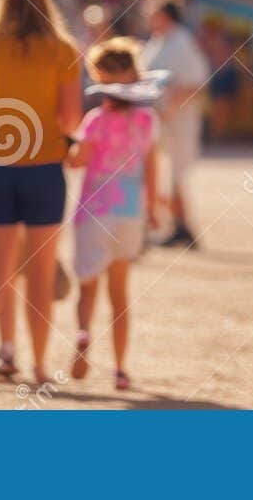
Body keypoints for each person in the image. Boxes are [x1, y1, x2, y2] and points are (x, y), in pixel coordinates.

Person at [0, 0, 81, 387]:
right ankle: (37, 364)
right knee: (41, 271)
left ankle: (2, 348)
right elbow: (70, 116)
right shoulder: (63, 48)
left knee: (0, 269)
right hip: (45, 165)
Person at [68, 39, 160, 391]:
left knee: (87, 287)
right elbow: (151, 164)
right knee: (119, 293)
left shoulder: (95, 120)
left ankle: (82, 332)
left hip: (93, 211)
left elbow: (78, 161)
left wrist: (67, 148)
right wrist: (153, 208)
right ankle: (120, 369)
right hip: (129, 209)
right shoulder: (146, 120)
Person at [140, 0, 209, 249]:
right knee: (162, 173)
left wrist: (167, 110)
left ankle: (181, 225)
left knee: (175, 174)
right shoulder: (159, 42)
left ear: (165, 15)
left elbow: (195, 83)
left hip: (176, 121)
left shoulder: (181, 42)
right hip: (158, 121)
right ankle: (175, 224)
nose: (147, 18)